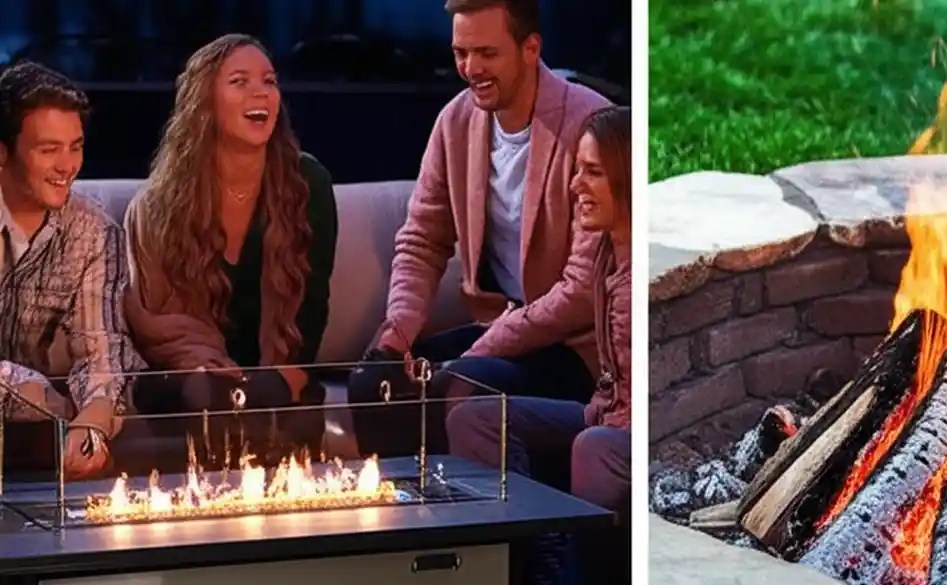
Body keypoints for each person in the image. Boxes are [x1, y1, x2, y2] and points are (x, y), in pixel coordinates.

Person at [347, 0, 612, 459]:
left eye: (486, 54)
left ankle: (517, 530)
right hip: (499, 326)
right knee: (375, 382)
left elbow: (581, 292)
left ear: (531, 48)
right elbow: (421, 240)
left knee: (464, 383)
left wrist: (482, 348)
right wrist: (397, 335)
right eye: (461, 53)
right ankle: (408, 520)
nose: (471, 69)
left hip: (577, 346)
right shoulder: (455, 121)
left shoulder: (590, 124)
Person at [447, 105, 631, 585]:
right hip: (604, 409)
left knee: (596, 449)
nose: (576, 186)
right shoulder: (607, 248)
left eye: (593, 174)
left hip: (625, 429)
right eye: (577, 170)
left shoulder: (634, 271)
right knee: (476, 415)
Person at [122, 34, 338, 463]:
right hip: (184, 378)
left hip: (275, 377)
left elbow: (312, 305)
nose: (261, 92)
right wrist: (207, 369)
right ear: (205, 103)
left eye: (269, 81)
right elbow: (156, 322)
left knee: (265, 400)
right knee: (213, 393)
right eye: (239, 81)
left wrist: (287, 378)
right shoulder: (158, 204)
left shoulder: (306, 185)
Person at [0, 60, 141, 480]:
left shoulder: (93, 231)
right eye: (49, 149)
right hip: (39, 409)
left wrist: (92, 422)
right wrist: (48, 398)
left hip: (36, 428)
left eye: (75, 146)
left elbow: (102, 349)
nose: (67, 166)